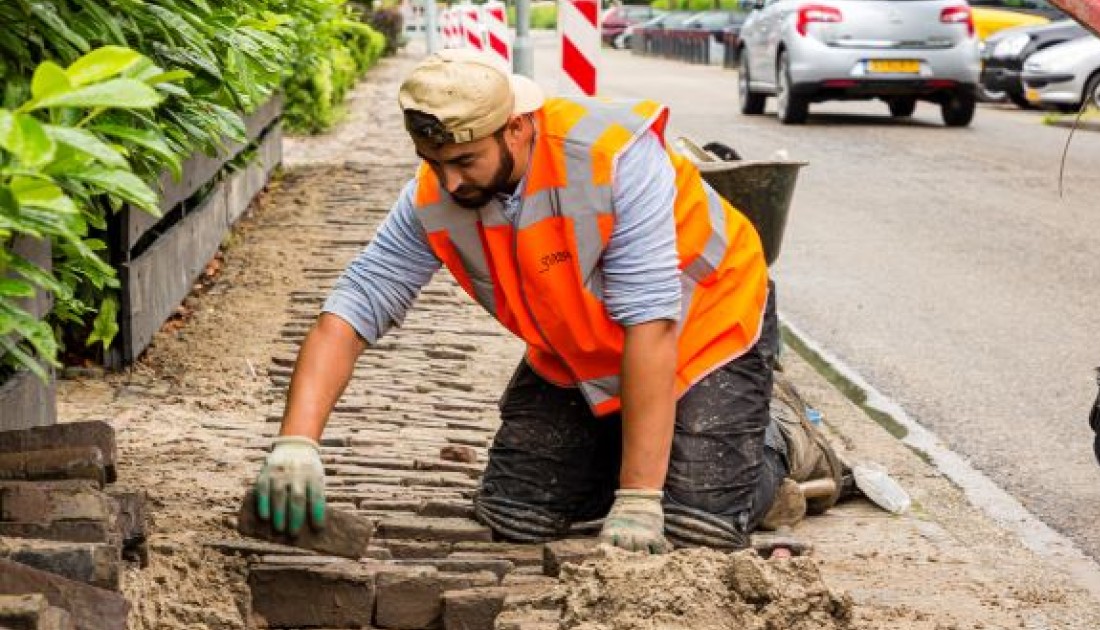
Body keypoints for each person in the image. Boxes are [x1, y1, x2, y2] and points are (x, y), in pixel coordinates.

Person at [254, 49, 842, 552]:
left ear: (517, 127)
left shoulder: (612, 159)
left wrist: (638, 499)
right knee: (518, 515)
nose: (450, 183)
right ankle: (648, 446)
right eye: (433, 164)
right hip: (583, 349)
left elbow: (651, 322)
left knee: (696, 528)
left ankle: (780, 438)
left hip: (702, 327)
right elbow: (354, 307)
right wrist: (296, 444)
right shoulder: (434, 196)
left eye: (464, 161)